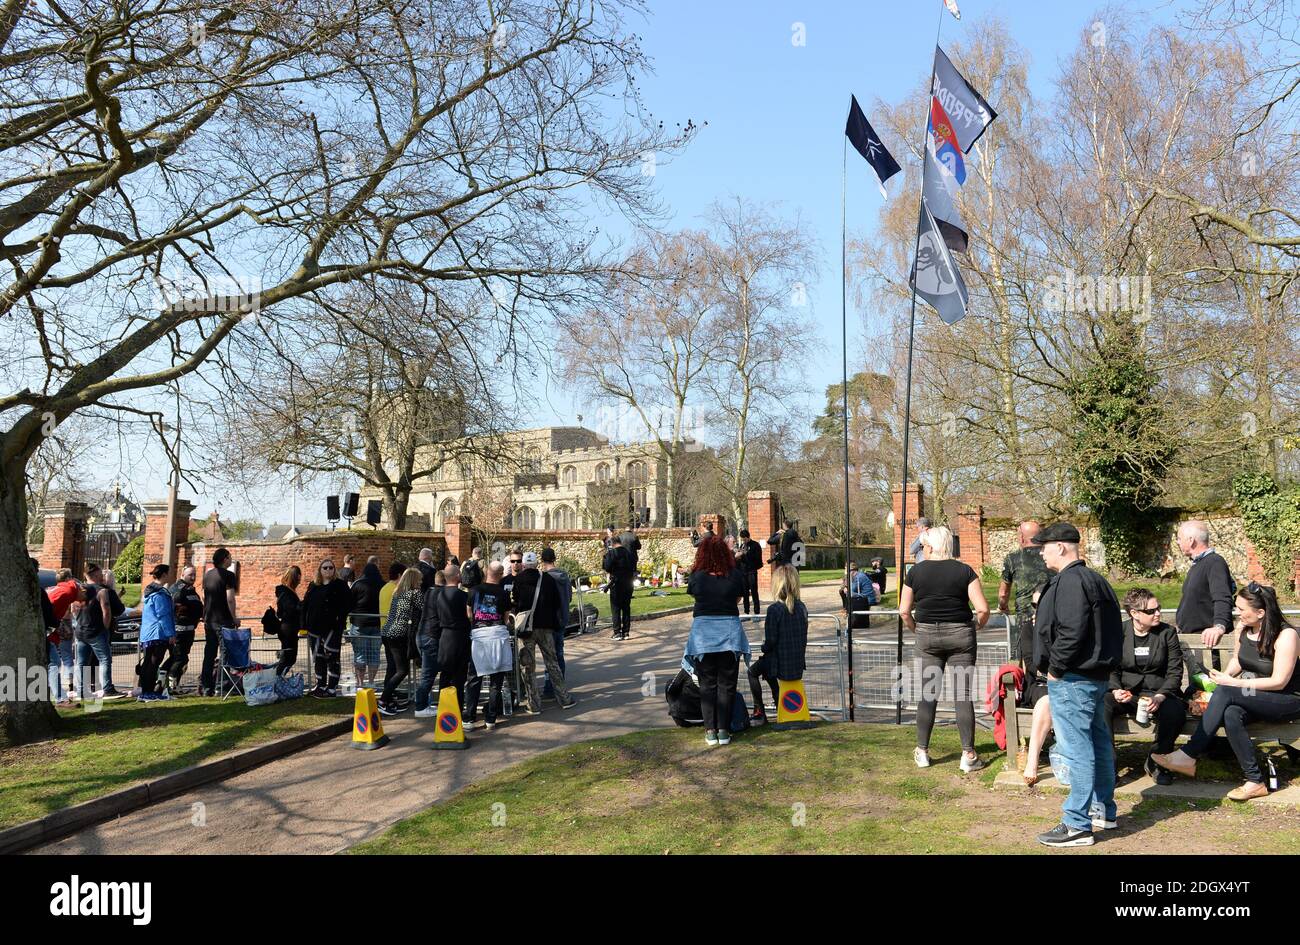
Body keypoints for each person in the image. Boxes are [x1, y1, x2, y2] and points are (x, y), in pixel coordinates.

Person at [1154, 583, 1300, 801]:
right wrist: (1220, 677)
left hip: (1287, 699)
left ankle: (1189, 753)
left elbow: (1279, 681)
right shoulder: (1244, 629)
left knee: (1227, 692)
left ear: (1260, 613)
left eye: (1242, 609)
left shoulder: (1286, 635)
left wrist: (1231, 683)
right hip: (1257, 696)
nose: (1236, 613)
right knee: (1231, 712)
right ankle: (1254, 781)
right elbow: (1237, 661)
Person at [1030, 522, 1123, 847]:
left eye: (1044, 546)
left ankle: (1077, 824)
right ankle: (1103, 811)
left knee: (1077, 750)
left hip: (1073, 678)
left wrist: (1055, 668)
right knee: (1097, 744)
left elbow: (1071, 631)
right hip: (1094, 677)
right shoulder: (1096, 580)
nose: (1041, 552)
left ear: (1062, 547)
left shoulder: (1071, 581)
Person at [900, 525, 989, 773]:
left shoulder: (916, 572)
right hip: (961, 634)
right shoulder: (964, 571)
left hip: (927, 635)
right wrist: (976, 627)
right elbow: (982, 609)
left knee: (928, 694)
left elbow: (904, 611)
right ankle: (968, 754)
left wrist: (916, 629)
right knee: (962, 694)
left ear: (929, 547)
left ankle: (922, 751)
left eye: (923, 546)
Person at [1105, 588, 1187, 786]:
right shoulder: (1118, 632)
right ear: (1134, 613)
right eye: (1151, 611)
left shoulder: (1167, 633)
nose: (1158, 613)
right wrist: (1115, 689)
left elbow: (1175, 672)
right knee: (1101, 705)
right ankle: (1108, 767)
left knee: (1174, 712)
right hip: (1127, 693)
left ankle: (1156, 761)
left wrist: (1160, 696)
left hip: (1158, 694)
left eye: (1158, 608)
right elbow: (1110, 668)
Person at [684, 534, 750, 746]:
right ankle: (723, 730)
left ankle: (709, 730)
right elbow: (738, 598)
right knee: (727, 684)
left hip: (703, 634)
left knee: (707, 684)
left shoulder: (697, 575)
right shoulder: (735, 574)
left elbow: (694, 595)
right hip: (729, 632)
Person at [512, 551, 576, 712]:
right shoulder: (547, 579)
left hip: (527, 629)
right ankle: (564, 698)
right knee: (552, 663)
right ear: (536, 564)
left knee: (528, 666)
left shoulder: (518, 580)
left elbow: (516, 602)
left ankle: (534, 704)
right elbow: (555, 602)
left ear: (524, 565)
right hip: (546, 627)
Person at [747, 564, 808, 724]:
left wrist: (763, 647)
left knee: (752, 672)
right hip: (796, 662)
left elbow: (771, 641)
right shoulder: (802, 607)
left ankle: (759, 711)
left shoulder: (775, 609)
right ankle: (778, 700)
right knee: (766, 668)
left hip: (780, 663)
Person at [465, 562, 513, 730]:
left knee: (474, 679)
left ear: (486, 572)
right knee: (496, 681)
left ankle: (469, 718)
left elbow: (469, 614)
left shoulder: (473, 591)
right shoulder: (504, 594)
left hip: (479, 636)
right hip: (498, 636)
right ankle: (490, 719)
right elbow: (506, 618)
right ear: (500, 574)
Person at [1174, 520, 1234, 649]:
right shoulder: (1198, 565)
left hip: (1207, 642)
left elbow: (1222, 597)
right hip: (1193, 639)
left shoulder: (1214, 562)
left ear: (1191, 540)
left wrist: (1219, 626)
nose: (1177, 542)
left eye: (1179, 538)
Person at [998, 520, 1047, 667]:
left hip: (1024, 615)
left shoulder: (1013, 558)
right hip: (1050, 611)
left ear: (1021, 538)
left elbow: (1003, 592)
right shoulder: (1050, 555)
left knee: (1021, 655)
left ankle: (1023, 685)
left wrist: (1003, 606)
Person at [74, 562, 126, 700]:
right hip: (97, 631)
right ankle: (107, 689)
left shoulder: (79, 589)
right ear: (96, 574)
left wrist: (79, 621)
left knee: (81, 662)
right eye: (101, 573)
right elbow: (109, 611)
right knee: (105, 659)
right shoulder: (102, 591)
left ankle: (80, 691)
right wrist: (105, 627)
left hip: (81, 630)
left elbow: (73, 608)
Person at [379, 567, 423, 714]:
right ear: (414, 580)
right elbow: (424, 609)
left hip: (386, 632)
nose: (421, 582)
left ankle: (388, 699)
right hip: (399, 634)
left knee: (392, 668)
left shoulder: (397, 592)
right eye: (420, 579)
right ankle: (384, 700)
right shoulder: (415, 593)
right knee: (402, 670)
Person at [305, 558, 351, 697]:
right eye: (325, 568)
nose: (328, 570)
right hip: (314, 628)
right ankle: (320, 685)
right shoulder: (313, 585)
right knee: (318, 657)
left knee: (332, 657)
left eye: (331, 567)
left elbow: (348, 604)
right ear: (320, 570)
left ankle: (331, 687)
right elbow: (306, 605)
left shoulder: (340, 585)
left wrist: (339, 618)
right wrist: (303, 624)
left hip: (332, 628)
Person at [436, 564, 474, 724]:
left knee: (445, 675)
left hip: (445, 636)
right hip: (459, 637)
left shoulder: (439, 595)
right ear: (457, 575)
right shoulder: (462, 596)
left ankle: (443, 707)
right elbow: (469, 616)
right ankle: (457, 708)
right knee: (459, 676)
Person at [199, 548, 238, 697]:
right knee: (225, 654)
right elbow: (230, 598)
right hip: (223, 620)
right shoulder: (228, 575)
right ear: (225, 559)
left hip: (209, 620)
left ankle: (206, 687)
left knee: (209, 654)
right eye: (229, 557)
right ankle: (221, 686)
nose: (231, 560)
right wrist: (234, 617)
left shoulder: (208, 575)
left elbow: (204, 596)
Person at [136, 564, 176, 701]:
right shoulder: (160, 594)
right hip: (158, 633)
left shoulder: (148, 591)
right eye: (169, 573)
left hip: (147, 633)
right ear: (164, 575)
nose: (170, 575)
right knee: (153, 664)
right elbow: (163, 615)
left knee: (148, 663)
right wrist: (171, 634)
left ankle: (145, 691)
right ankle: (148, 692)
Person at [161, 565, 202, 694]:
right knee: (180, 659)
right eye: (190, 574)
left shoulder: (190, 590)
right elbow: (175, 607)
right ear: (182, 575)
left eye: (194, 574)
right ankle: (171, 687)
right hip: (180, 631)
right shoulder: (179, 589)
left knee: (177, 658)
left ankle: (162, 681)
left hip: (188, 630)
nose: (193, 577)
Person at [412, 561, 443, 718]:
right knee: (428, 674)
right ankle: (421, 706)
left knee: (428, 672)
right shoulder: (440, 594)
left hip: (422, 634)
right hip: (430, 637)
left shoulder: (428, 593)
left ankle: (425, 703)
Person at [540, 547, 571, 700]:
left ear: (542, 560)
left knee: (549, 656)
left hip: (550, 620)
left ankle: (549, 689)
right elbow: (569, 597)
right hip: (563, 618)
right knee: (559, 653)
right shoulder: (564, 576)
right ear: (554, 558)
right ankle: (561, 685)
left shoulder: (545, 577)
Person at [44, 564, 77, 706]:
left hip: (53, 631)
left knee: (55, 661)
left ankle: (60, 694)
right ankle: (61, 695)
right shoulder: (62, 593)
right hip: (55, 630)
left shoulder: (50, 590)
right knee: (60, 660)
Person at [349, 557, 383, 689]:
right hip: (377, 623)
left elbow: (350, 602)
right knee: (374, 653)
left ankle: (360, 683)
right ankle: (371, 681)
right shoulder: (382, 584)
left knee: (360, 653)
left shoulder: (358, 584)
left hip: (359, 623)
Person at [603, 533, 635, 640]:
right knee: (626, 607)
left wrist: (606, 556)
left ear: (612, 543)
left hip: (617, 583)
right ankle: (626, 632)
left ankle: (617, 632)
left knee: (615, 608)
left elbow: (607, 567)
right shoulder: (629, 553)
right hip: (628, 582)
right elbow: (634, 567)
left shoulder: (612, 553)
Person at [274, 566, 303, 677]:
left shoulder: (287, 592)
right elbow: (289, 609)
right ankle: (276, 679)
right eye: (299, 576)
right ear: (296, 577)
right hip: (288, 629)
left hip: (289, 628)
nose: (300, 579)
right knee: (289, 658)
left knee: (288, 658)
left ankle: (278, 678)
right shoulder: (286, 593)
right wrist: (301, 605)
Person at [735, 528, 763, 615]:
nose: (743, 541)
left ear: (748, 537)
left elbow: (757, 558)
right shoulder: (742, 546)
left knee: (754, 592)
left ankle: (756, 612)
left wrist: (745, 554)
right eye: (742, 539)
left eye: (744, 539)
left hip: (752, 571)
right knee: (745, 593)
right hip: (743, 572)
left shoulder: (755, 545)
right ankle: (746, 611)